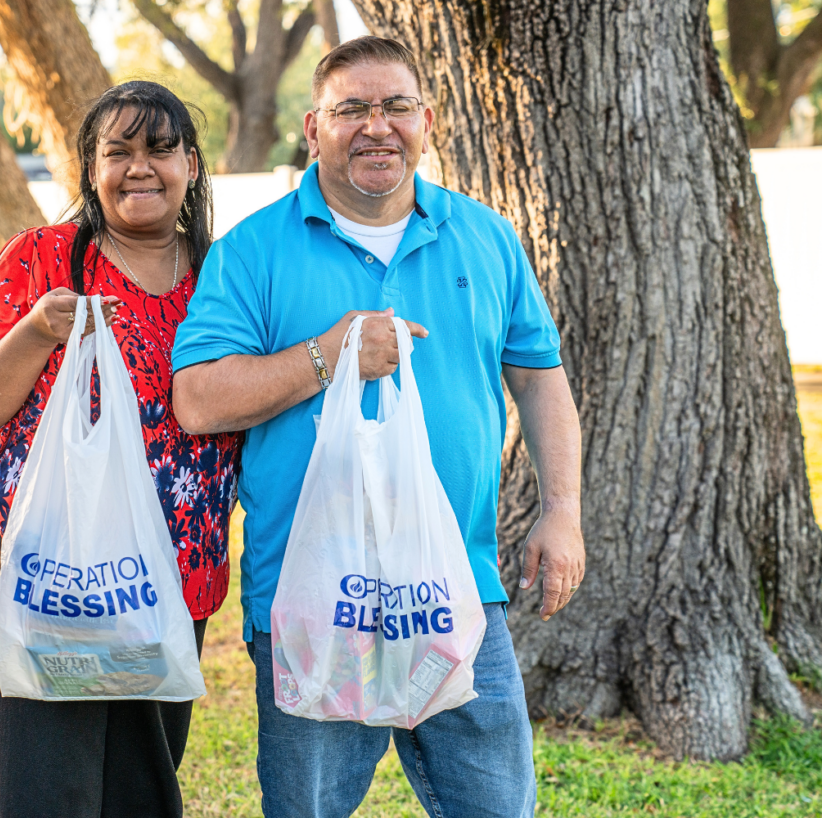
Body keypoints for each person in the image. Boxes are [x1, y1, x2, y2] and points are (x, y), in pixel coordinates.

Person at [171, 37, 585, 818]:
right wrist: (331, 353)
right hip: (309, 595)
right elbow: (197, 398)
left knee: (498, 807)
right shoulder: (251, 251)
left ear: (427, 120)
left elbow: (539, 378)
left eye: (396, 106)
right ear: (312, 127)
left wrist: (562, 512)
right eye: (351, 109)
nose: (376, 127)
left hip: (456, 585)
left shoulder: (485, 237)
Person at [0, 81, 240, 818]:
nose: (140, 167)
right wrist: (37, 332)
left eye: (161, 149)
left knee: (144, 788)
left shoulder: (224, 279)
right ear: (91, 170)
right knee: (50, 791)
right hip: (51, 568)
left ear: (192, 166)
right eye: (120, 152)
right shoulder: (42, 260)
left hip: (170, 576)